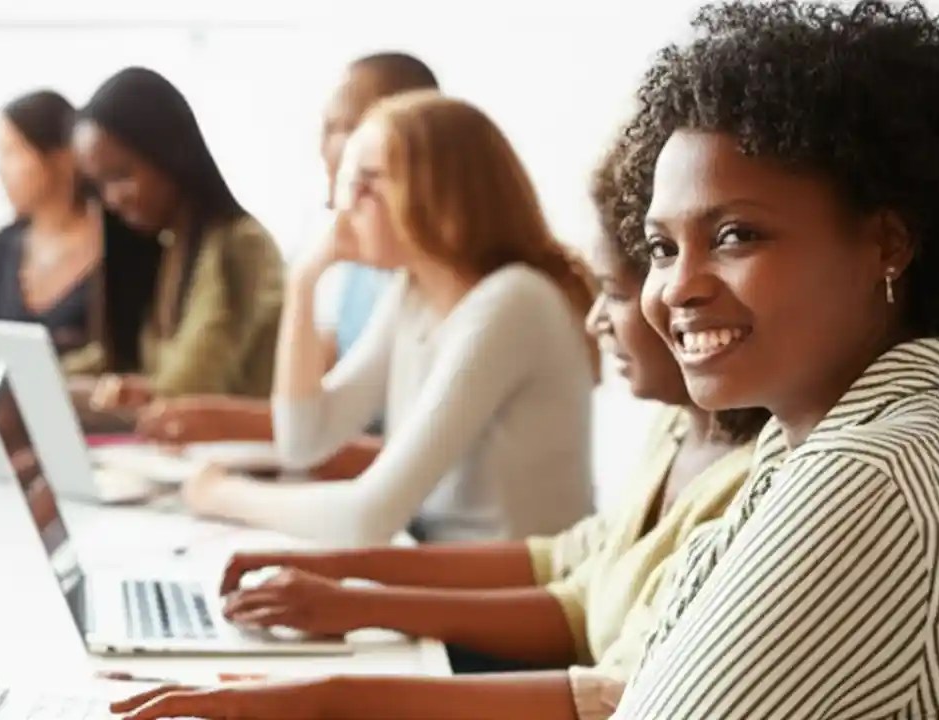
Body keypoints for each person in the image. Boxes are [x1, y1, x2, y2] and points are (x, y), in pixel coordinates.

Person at [107, 149, 769, 720]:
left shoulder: (512, 301)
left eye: (368, 177)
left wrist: (326, 674)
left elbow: (609, 685)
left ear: (434, 186)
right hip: (522, 649)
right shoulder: (673, 427)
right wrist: (338, 589)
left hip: (525, 664)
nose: (342, 194)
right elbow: (572, 575)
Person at [590, 2, 939, 717]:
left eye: (736, 234)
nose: (678, 287)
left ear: (888, 244)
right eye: (662, 248)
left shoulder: (871, 482)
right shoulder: (841, 441)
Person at [178, 92, 598, 547]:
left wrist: (221, 494)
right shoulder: (413, 292)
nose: (346, 204)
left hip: (508, 591)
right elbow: (305, 440)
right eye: (348, 182)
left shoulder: (514, 301)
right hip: (438, 568)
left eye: (369, 182)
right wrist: (303, 282)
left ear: (444, 194)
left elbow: (366, 518)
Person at [133, 52, 440, 455]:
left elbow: (408, 460)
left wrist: (227, 429)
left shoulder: (445, 285)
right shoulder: (364, 269)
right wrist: (216, 419)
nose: (324, 148)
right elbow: (318, 415)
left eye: (341, 128)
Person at [64, 67, 284, 409]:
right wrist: (40, 373)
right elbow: (113, 357)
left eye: (121, 175)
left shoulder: (239, 245)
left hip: (239, 457)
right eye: (100, 184)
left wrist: (93, 393)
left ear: (167, 153)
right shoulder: (167, 246)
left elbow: (190, 389)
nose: (112, 199)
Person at [0, 90, 114, 353]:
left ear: (62, 157)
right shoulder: (1, 247)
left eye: (12, 152)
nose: (0, 170)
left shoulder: (117, 245)